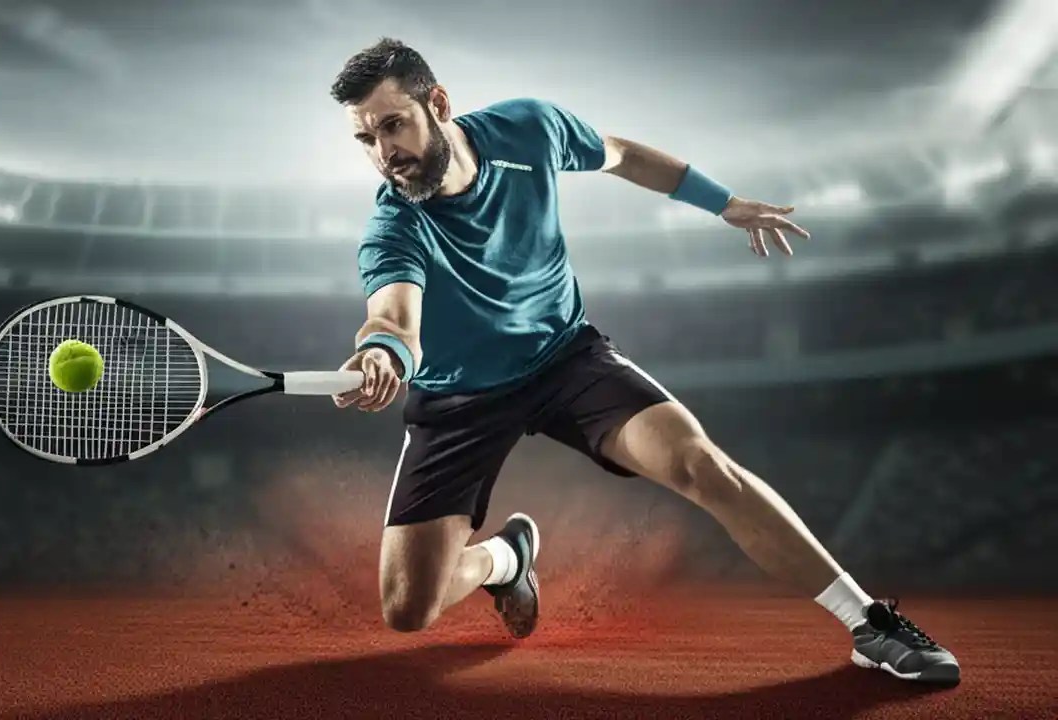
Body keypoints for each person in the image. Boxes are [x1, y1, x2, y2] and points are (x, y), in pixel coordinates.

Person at [327, 37, 959, 684]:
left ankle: (869, 624)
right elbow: (394, 316)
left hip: (563, 360)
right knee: (408, 609)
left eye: (393, 125)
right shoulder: (392, 229)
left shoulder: (528, 129)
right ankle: (506, 561)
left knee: (702, 465)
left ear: (438, 103)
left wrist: (725, 203)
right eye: (365, 140)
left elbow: (623, 156)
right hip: (460, 400)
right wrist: (382, 351)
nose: (384, 155)